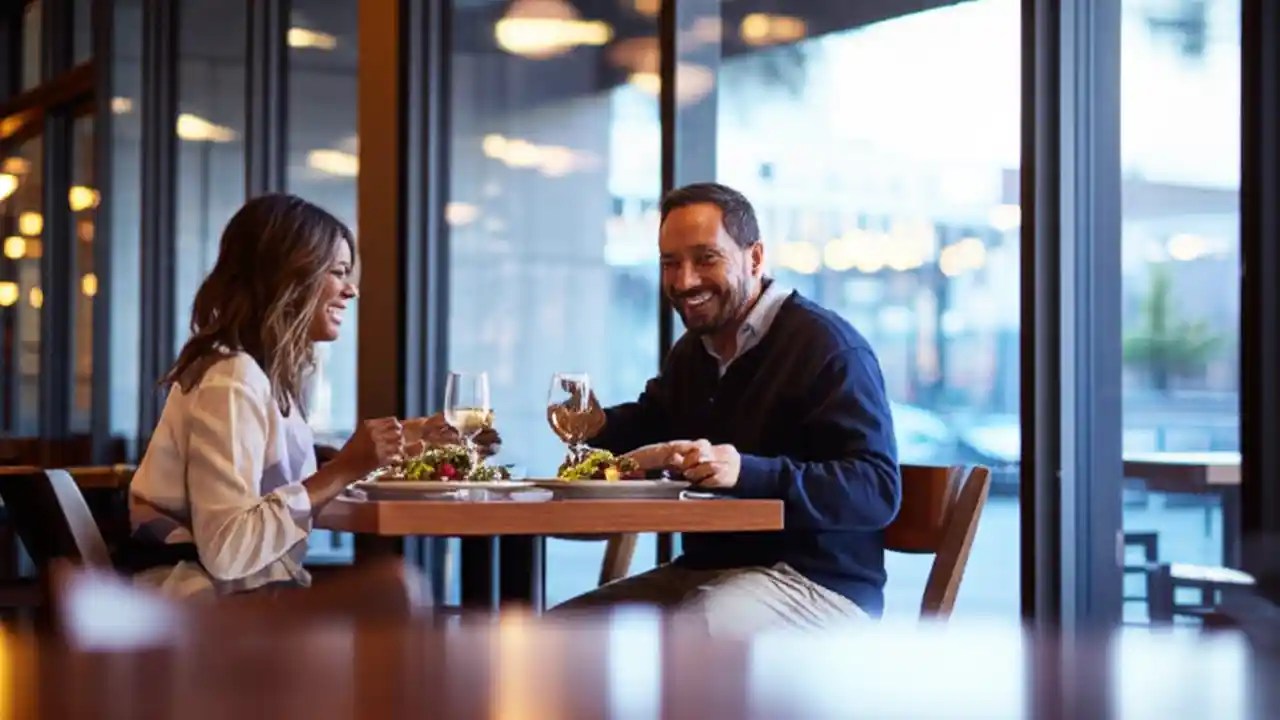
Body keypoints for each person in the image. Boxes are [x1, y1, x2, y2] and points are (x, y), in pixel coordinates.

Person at [553, 182, 901, 635]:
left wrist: (747, 472)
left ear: (754, 258)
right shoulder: (696, 351)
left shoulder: (827, 347)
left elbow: (876, 489)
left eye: (706, 259)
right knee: (555, 636)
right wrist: (597, 424)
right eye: (670, 263)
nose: (684, 281)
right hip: (707, 573)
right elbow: (653, 420)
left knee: (694, 631)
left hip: (818, 587)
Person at [126, 194, 478, 600]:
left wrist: (387, 446)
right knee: (399, 596)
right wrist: (344, 469)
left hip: (231, 605)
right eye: (340, 272)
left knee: (398, 598)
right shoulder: (231, 379)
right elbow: (227, 551)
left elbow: (268, 491)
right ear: (289, 277)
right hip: (206, 620)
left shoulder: (255, 375)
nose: (352, 291)